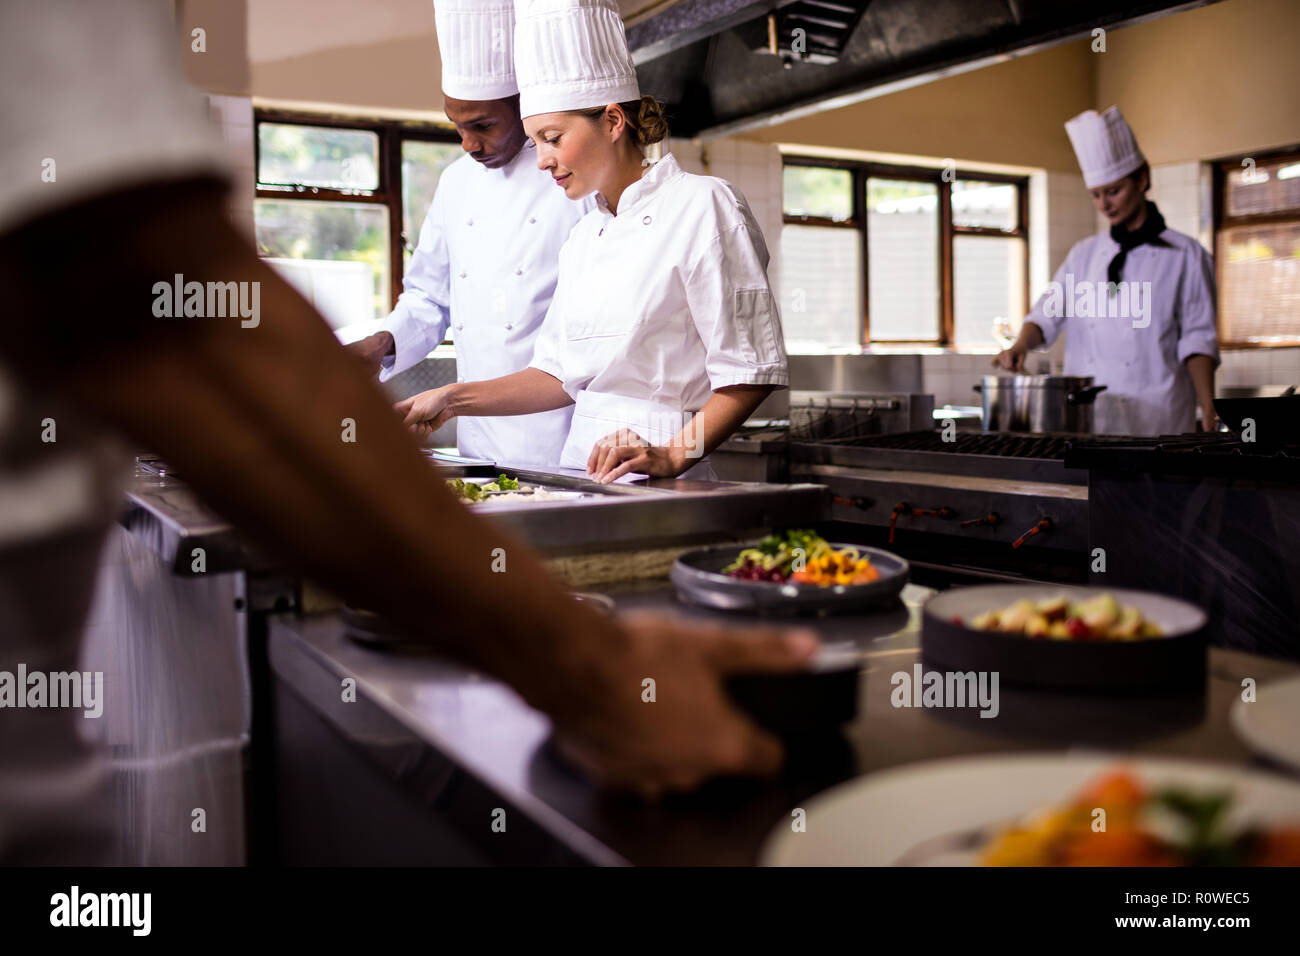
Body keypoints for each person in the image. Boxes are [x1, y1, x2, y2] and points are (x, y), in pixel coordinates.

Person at [0, 0, 820, 864]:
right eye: (507, 134)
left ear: (606, 118)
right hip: (560, 474)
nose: (526, 155)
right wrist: (442, 393)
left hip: (631, 486)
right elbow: (528, 357)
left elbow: (148, 302)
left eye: (536, 133)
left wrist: (594, 647)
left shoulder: (685, 205)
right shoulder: (546, 216)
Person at [397, 0, 788, 482]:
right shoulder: (586, 234)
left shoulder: (703, 205)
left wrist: (672, 455)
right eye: (535, 141)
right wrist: (450, 399)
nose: (541, 161)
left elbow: (749, 372)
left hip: (662, 485)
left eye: (553, 137)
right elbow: (557, 377)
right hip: (579, 475)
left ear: (612, 121)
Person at [348, 0, 591, 468]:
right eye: (457, 126)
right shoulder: (456, 182)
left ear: (523, 106)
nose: (468, 144)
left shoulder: (571, 176)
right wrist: (382, 344)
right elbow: (428, 298)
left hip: (566, 441)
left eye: (482, 125)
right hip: (477, 441)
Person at [993, 107, 1219, 435]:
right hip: (1090, 423)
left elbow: (1198, 341)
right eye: (1096, 195)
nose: (1104, 205)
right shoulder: (1084, 255)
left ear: (1142, 179)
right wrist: (1019, 346)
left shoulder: (1187, 256)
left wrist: (1209, 406)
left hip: (1159, 423)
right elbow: (1046, 316)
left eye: (1113, 191)